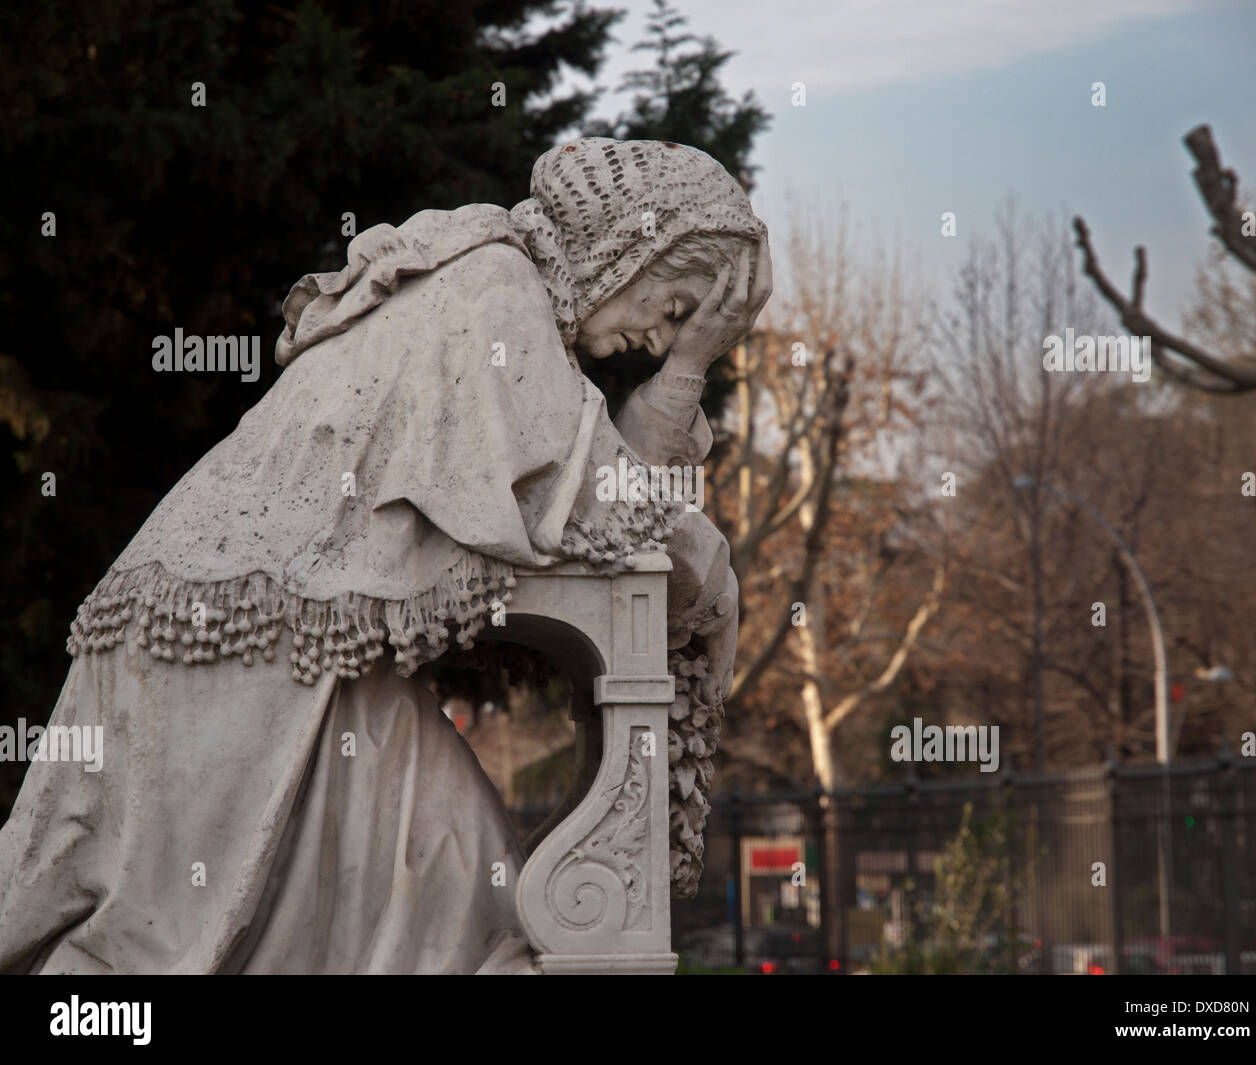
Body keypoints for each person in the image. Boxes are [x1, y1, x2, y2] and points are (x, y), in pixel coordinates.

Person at [0, 138, 770, 973]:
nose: (661, 340)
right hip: (233, 650)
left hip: (265, 646)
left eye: (683, 332)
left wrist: (689, 371)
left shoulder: (486, 281)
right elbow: (613, 517)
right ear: (633, 250)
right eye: (677, 308)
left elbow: (600, 498)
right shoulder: (493, 292)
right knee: (150, 957)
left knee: (456, 879)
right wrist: (690, 376)